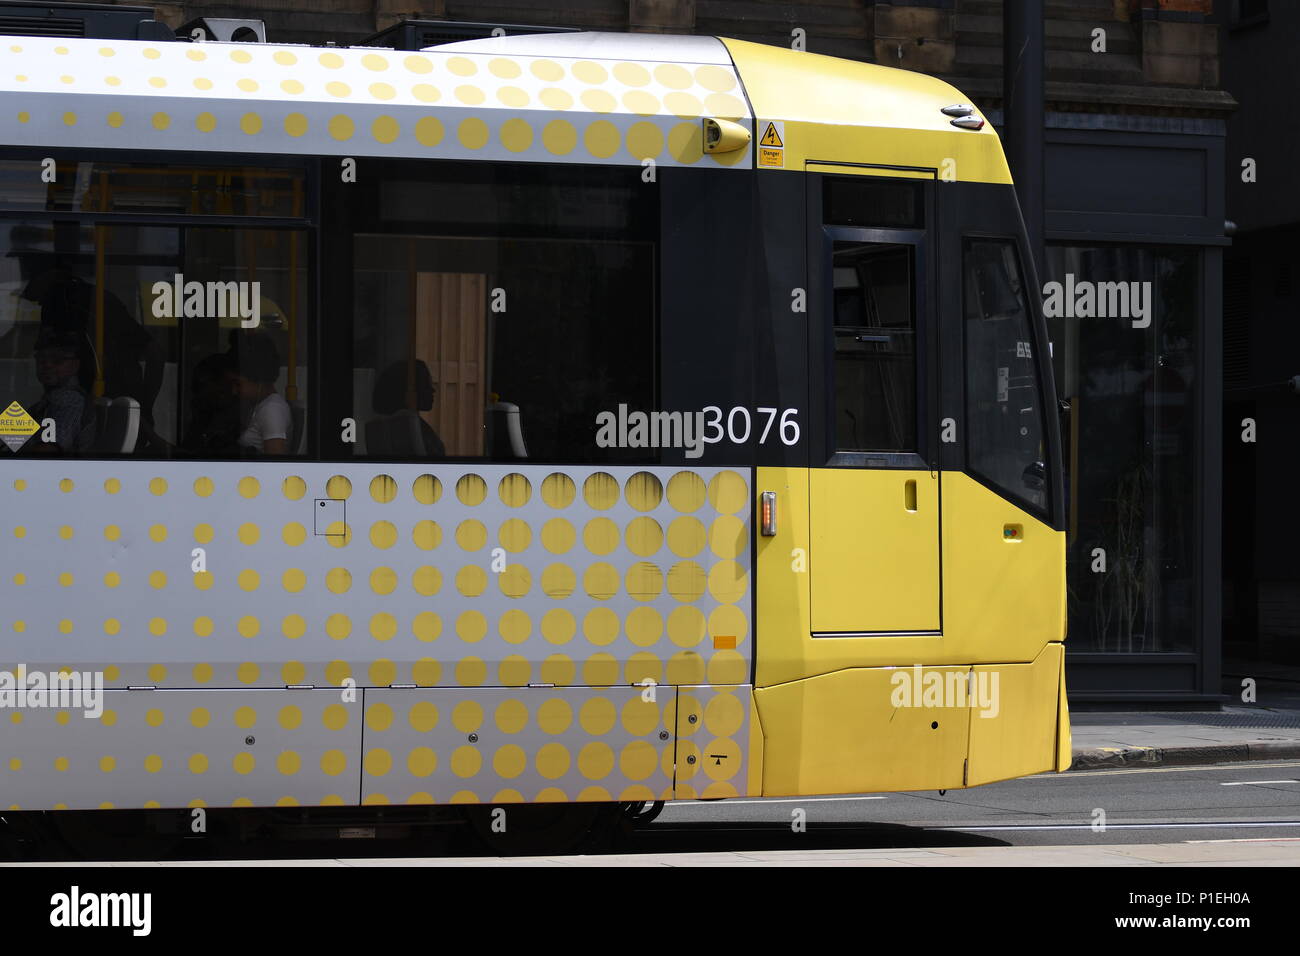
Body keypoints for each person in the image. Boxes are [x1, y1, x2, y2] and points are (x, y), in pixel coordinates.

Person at [27, 329, 96, 454]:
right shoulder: (46, 402)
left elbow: (48, 451)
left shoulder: (69, 400)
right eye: (41, 359)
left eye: (57, 360)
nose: (47, 365)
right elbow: (8, 437)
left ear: (75, 365)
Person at [230, 331, 292, 456]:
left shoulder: (272, 410)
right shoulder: (258, 405)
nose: (234, 391)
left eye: (238, 384)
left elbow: (275, 461)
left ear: (258, 379)